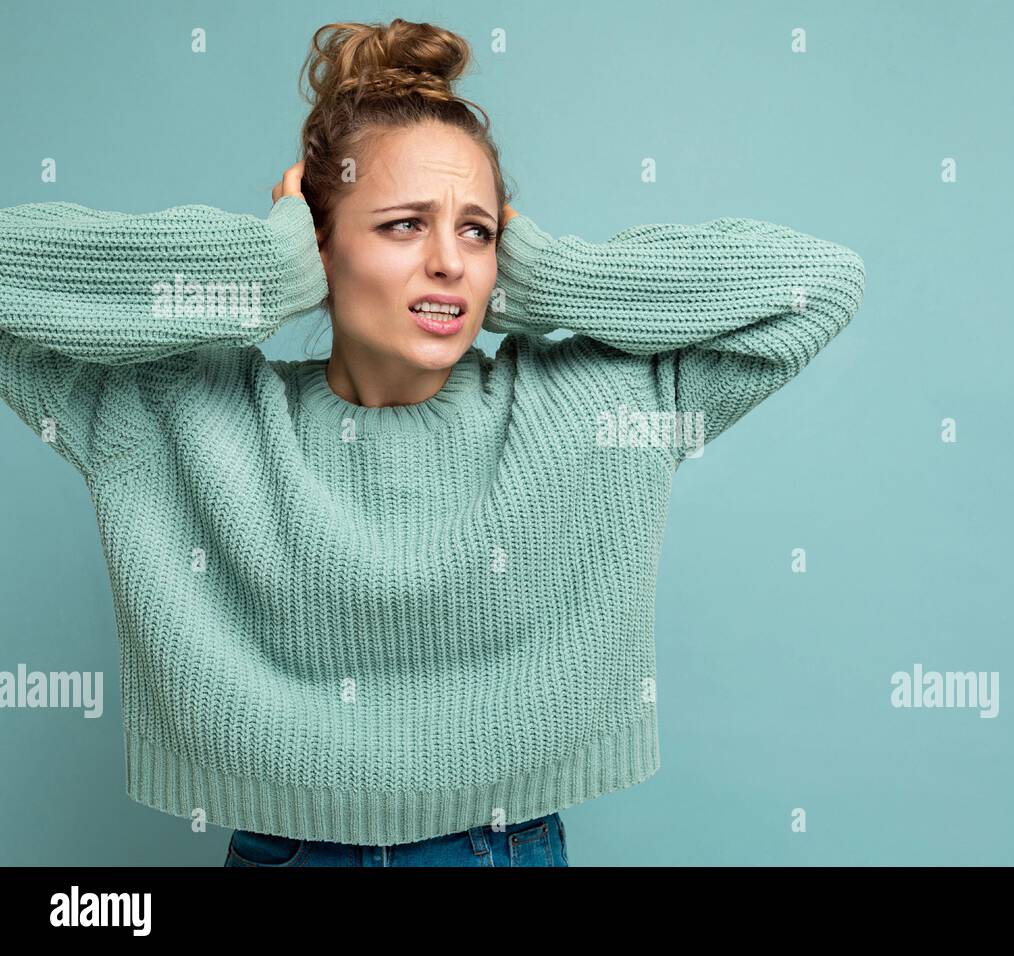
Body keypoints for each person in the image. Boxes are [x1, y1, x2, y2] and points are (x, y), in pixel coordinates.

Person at [0, 18, 866, 867]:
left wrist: (558, 277)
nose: (450, 262)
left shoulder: (592, 405)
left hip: (502, 850)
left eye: (478, 231)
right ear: (321, 245)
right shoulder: (184, 413)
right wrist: (260, 270)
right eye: (404, 224)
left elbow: (818, 286)